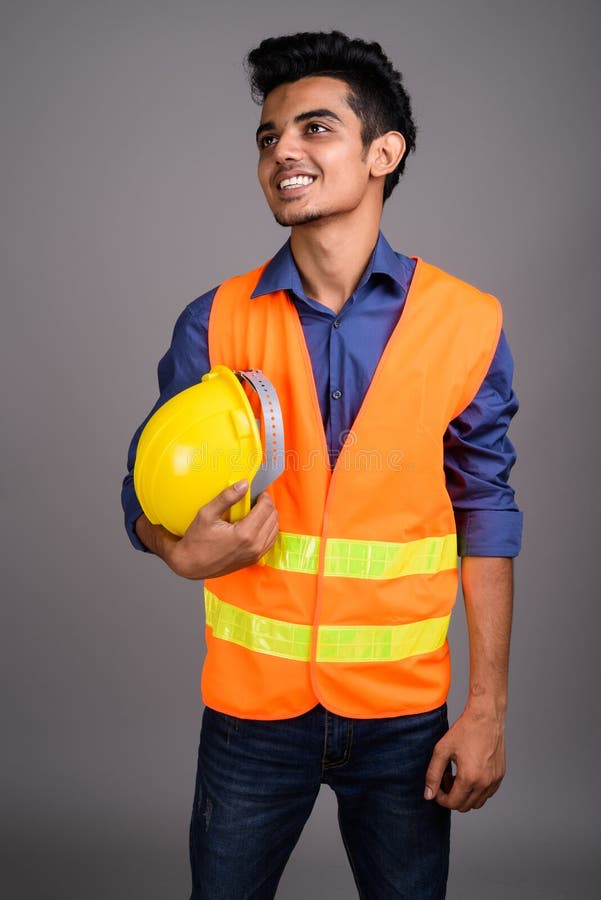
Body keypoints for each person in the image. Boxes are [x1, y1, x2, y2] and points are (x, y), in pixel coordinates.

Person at [121, 30, 522, 900]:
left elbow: (485, 511)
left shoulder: (467, 321)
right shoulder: (215, 320)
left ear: (384, 152)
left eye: (314, 129)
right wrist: (173, 548)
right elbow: (141, 487)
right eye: (269, 136)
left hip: (404, 718)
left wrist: (485, 707)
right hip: (250, 714)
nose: (283, 152)